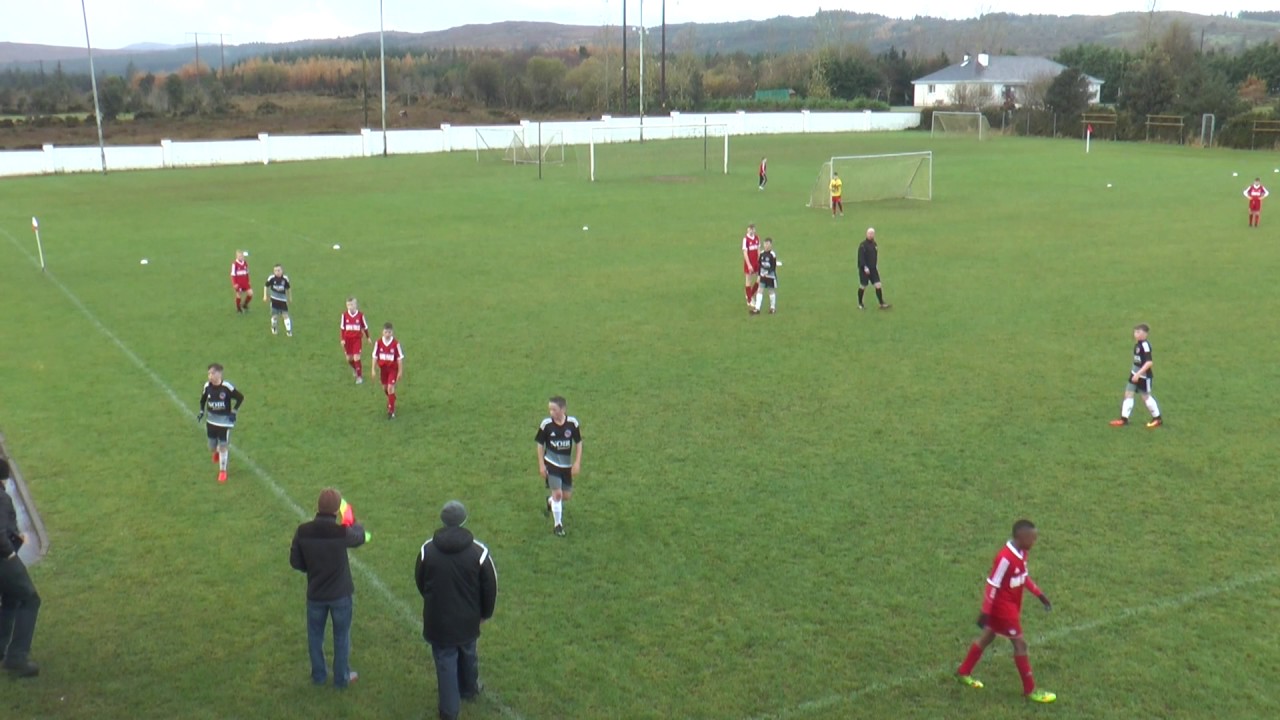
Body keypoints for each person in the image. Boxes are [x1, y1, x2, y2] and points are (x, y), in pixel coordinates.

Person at [956, 519, 1056, 704]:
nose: (1034, 542)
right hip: (1003, 608)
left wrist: (1040, 595)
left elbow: (1023, 577)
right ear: (1020, 537)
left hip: (1011, 605)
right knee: (1020, 645)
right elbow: (992, 584)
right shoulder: (1005, 558)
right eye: (1032, 538)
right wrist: (985, 611)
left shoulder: (1022, 553)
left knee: (988, 636)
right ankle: (1030, 690)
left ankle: (963, 671)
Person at [415, 501, 498, 720]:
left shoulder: (427, 550)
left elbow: (420, 581)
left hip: (438, 620)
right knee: (468, 651)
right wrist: (485, 613)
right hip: (468, 618)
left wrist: (432, 602)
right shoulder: (479, 552)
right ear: (464, 520)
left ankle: (449, 711)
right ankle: (469, 689)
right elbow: (490, 587)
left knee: (445, 660)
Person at [290, 488, 368, 689]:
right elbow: (360, 537)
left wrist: (312, 569)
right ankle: (341, 678)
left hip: (316, 593)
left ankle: (319, 675)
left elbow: (295, 562)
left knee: (315, 636)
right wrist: (354, 521)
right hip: (340, 594)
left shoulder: (303, 531)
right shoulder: (341, 532)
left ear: (318, 506)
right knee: (341, 636)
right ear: (336, 510)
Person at [0, 458, 41, 678]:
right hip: (3, 560)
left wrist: (16, 536)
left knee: (11, 598)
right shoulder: (1, 498)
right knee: (29, 599)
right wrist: (10, 553)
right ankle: (16, 657)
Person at [536, 396, 583, 537]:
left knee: (566, 496)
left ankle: (550, 501)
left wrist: (577, 462)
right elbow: (540, 444)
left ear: (563, 409)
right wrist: (541, 464)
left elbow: (579, 442)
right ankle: (558, 525)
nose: (551, 412)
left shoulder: (572, 423)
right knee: (558, 494)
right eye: (550, 409)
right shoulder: (546, 424)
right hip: (551, 464)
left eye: (554, 409)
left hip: (566, 465)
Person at [197, 363, 244, 484]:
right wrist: (201, 412)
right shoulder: (207, 386)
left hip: (224, 422)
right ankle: (216, 452)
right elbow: (203, 400)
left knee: (223, 446)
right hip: (211, 421)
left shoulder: (226, 387)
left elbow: (240, 398)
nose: (210, 376)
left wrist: (234, 412)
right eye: (209, 373)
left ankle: (223, 471)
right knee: (212, 447)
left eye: (212, 373)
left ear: (219, 374)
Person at [1109, 323, 1162, 428]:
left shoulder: (1145, 345)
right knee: (1128, 394)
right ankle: (1124, 419)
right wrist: (1134, 372)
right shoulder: (1138, 344)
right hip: (1134, 374)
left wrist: (1138, 374)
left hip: (1143, 376)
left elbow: (1149, 362)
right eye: (1135, 332)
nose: (1136, 334)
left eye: (1138, 332)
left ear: (1145, 334)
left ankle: (1157, 419)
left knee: (1146, 397)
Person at [373, 323, 404, 419]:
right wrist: (373, 369)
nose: (387, 334)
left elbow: (399, 358)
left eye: (389, 332)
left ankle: (391, 411)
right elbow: (375, 356)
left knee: (390, 388)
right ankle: (392, 399)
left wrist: (400, 371)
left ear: (392, 333)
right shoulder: (378, 343)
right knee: (385, 388)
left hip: (392, 369)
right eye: (386, 332)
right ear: (382, 332)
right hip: (383, 370)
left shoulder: (396, 344)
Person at [857, 228, 891, 310]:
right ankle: (860, 303)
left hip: (873, 269)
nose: (871, 235)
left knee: (878, 285)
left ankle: (881, 303)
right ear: (866, 234)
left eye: (872, 234)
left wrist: (875, 265)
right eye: (869, 234)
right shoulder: (862, 246)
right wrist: (865, 267)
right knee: (863, 286)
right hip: (864, 270)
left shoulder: (874, 244)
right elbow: (861, 258)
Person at [340, 297, 371, 385]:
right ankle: (355, 369)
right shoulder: (344, 315)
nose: (350, 307)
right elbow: (342, 328)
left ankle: (359, 377)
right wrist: (342, 339)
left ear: (356, 305)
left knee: (356, 357)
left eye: (352, 304)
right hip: (348, 340)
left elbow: (365, 327)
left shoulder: (360, 315)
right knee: (349, 358)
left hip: (357, 339)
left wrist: (368, 337)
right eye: (348, 305)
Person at [264, 264, 293, 337]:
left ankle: (289, 331)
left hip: (283, 300)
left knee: (285, 315)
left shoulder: (285, 279)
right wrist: (265, 295)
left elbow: (288, 288)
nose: (277, 272)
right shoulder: (271, 278)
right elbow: (266, 286)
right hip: (274, 300)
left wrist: (289, 297)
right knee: (275, 316)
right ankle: (274, 327)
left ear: (282, 271)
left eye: (279, 270)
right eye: (275, 271)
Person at [757, 237, 780, 314]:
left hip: (770, 276)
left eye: (768, 244)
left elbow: (773, 266)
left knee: (771, 291)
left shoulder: (772, 254)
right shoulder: (761, 253)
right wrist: (759, 275)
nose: (766, 245)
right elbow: (759, 265)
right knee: (760, 290)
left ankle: (772, 308)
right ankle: (757, 308)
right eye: (765, 244)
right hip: (763, 276)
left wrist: (767, 272)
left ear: (771, 245)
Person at [742, 224, 761, 315]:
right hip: (749, 263)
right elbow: (745, 253)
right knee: (748, 280)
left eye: (753, 229)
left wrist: (760, 260)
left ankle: (750, 294)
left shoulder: (757, 238)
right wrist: (749, 264)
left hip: (756, 262)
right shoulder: (745, 239)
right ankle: (749, 300)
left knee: (759, 279)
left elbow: (758, 250)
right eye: (750, 229)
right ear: (747, 230)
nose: (751, 231)